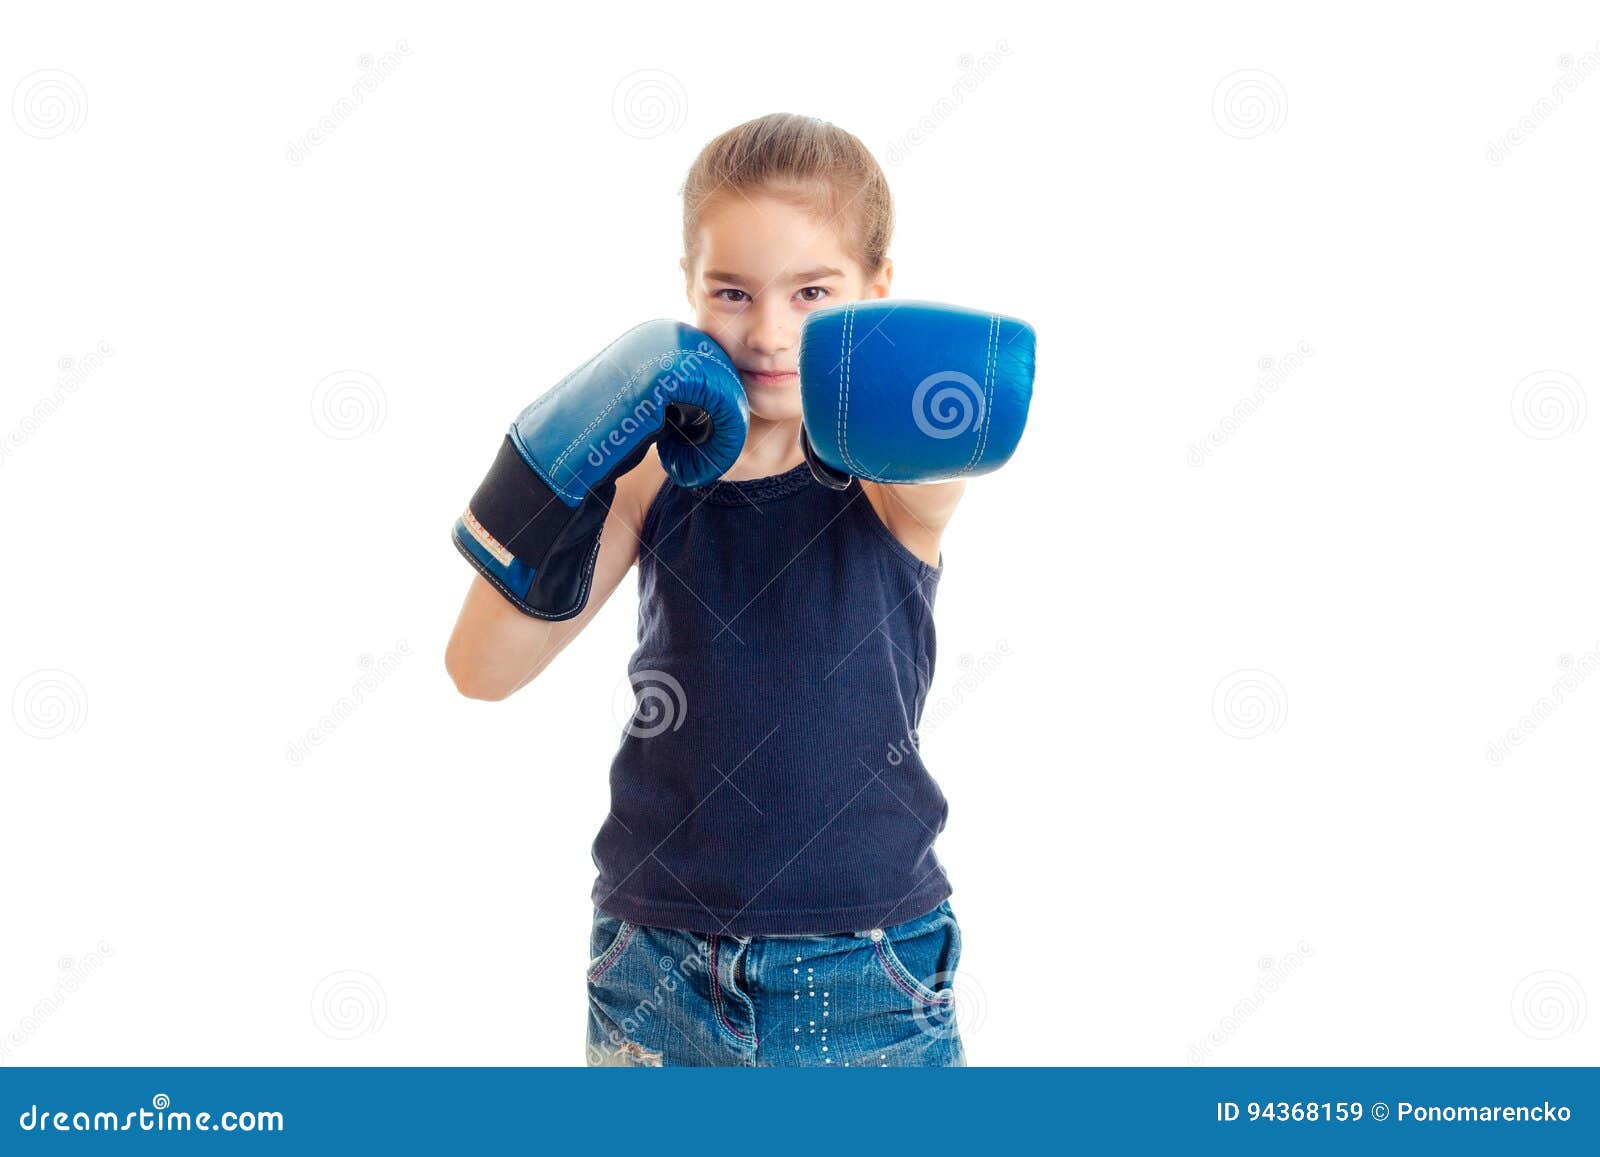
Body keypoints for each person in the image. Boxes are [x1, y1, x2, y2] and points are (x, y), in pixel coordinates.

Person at [445, 112, 1033, 1066]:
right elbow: (480, 669)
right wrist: (565, 462)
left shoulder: (884, 476)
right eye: (731, 291)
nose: (767, 331)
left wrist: (883, 365)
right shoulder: (650, 472)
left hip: (864, 960)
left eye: (812, 292)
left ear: (874, 294)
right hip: (656, 957)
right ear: (687, 291)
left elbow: (945, 440)